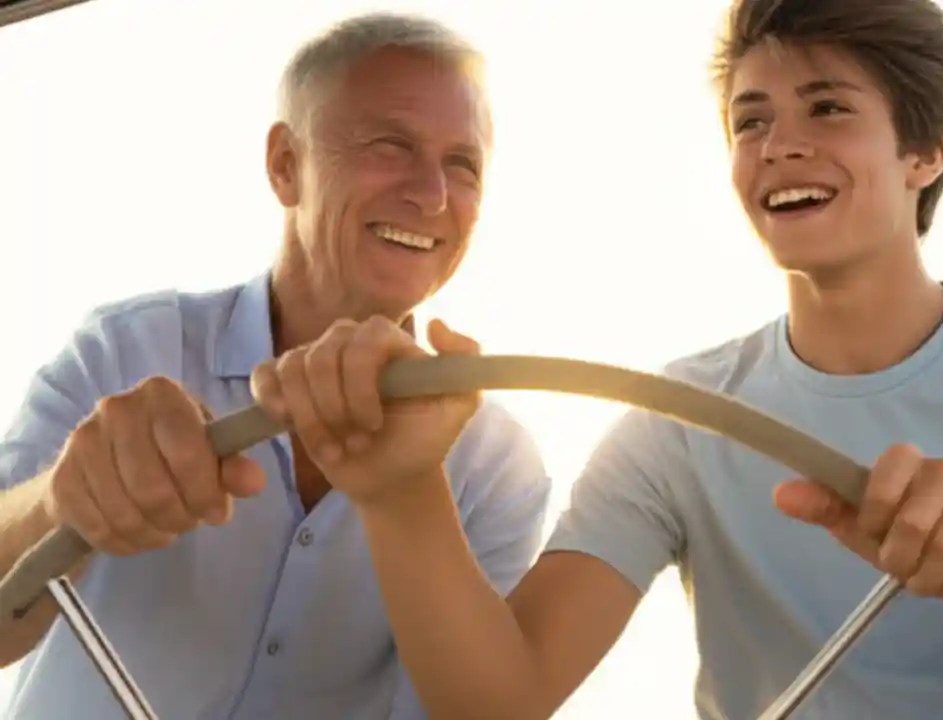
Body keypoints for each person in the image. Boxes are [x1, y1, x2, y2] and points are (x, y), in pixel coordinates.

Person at [247, 2, 943, 720]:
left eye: (824, 109)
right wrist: (403, 491)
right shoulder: (673, 418)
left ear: (925, 151)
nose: (776, 147)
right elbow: (500, 699)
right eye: (750, 120)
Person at [0, 12, 551, 719]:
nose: (433, 195)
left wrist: (411, 496)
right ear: (286, 165)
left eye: (462, 166)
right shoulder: (127, 351)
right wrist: (58, 503)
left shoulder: (499, 467)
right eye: (392, 144)